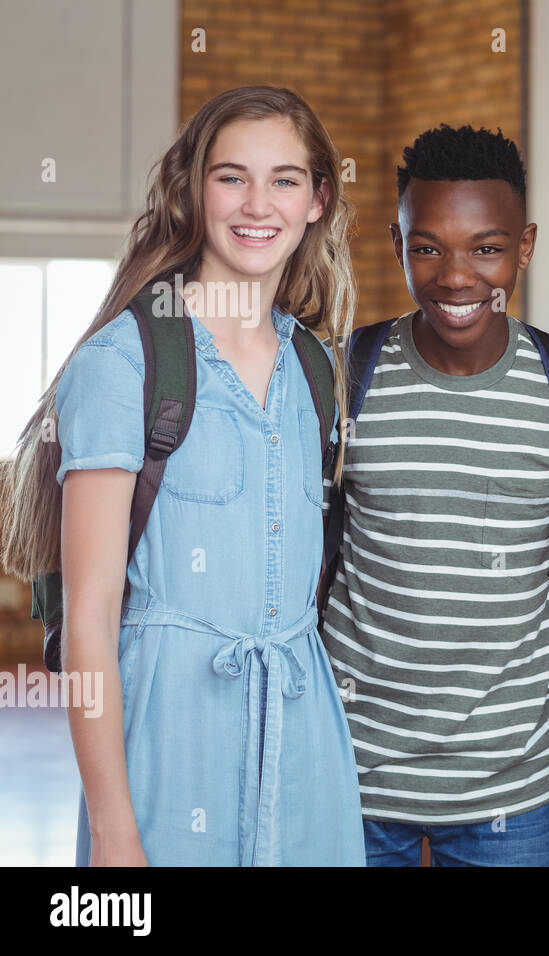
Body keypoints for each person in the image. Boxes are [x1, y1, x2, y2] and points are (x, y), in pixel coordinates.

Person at [0, 85, 364, 865]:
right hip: (167, 751)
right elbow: (89, 622)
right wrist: (113, 830)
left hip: (306, 758)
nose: (257, 203)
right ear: (194, 190)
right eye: (231, 176)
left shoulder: (315, 368)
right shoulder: (123, 364)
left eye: (286, 180)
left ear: (317, 202)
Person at [320, 125, 549, 866]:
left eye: (486, 248)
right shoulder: (340, 374)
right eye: (428, 247)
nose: (456, 277)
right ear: (397, 244)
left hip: (508, 794)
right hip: (349, 781)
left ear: (525, 246)